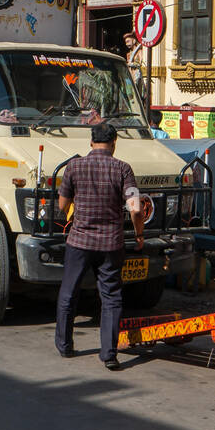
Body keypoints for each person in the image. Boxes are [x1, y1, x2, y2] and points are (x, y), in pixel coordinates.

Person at [55, 123, 144, 369]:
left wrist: (75, 215)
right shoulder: (123, 169)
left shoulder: (74, 166)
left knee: (68, 293)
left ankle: (64, 346)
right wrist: (139, 234)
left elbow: (62, 205)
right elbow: (135, 208)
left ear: (91, 142)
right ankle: (109, 355)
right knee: (111, 298)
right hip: (111, 244)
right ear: (114, 143)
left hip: (79, 242)